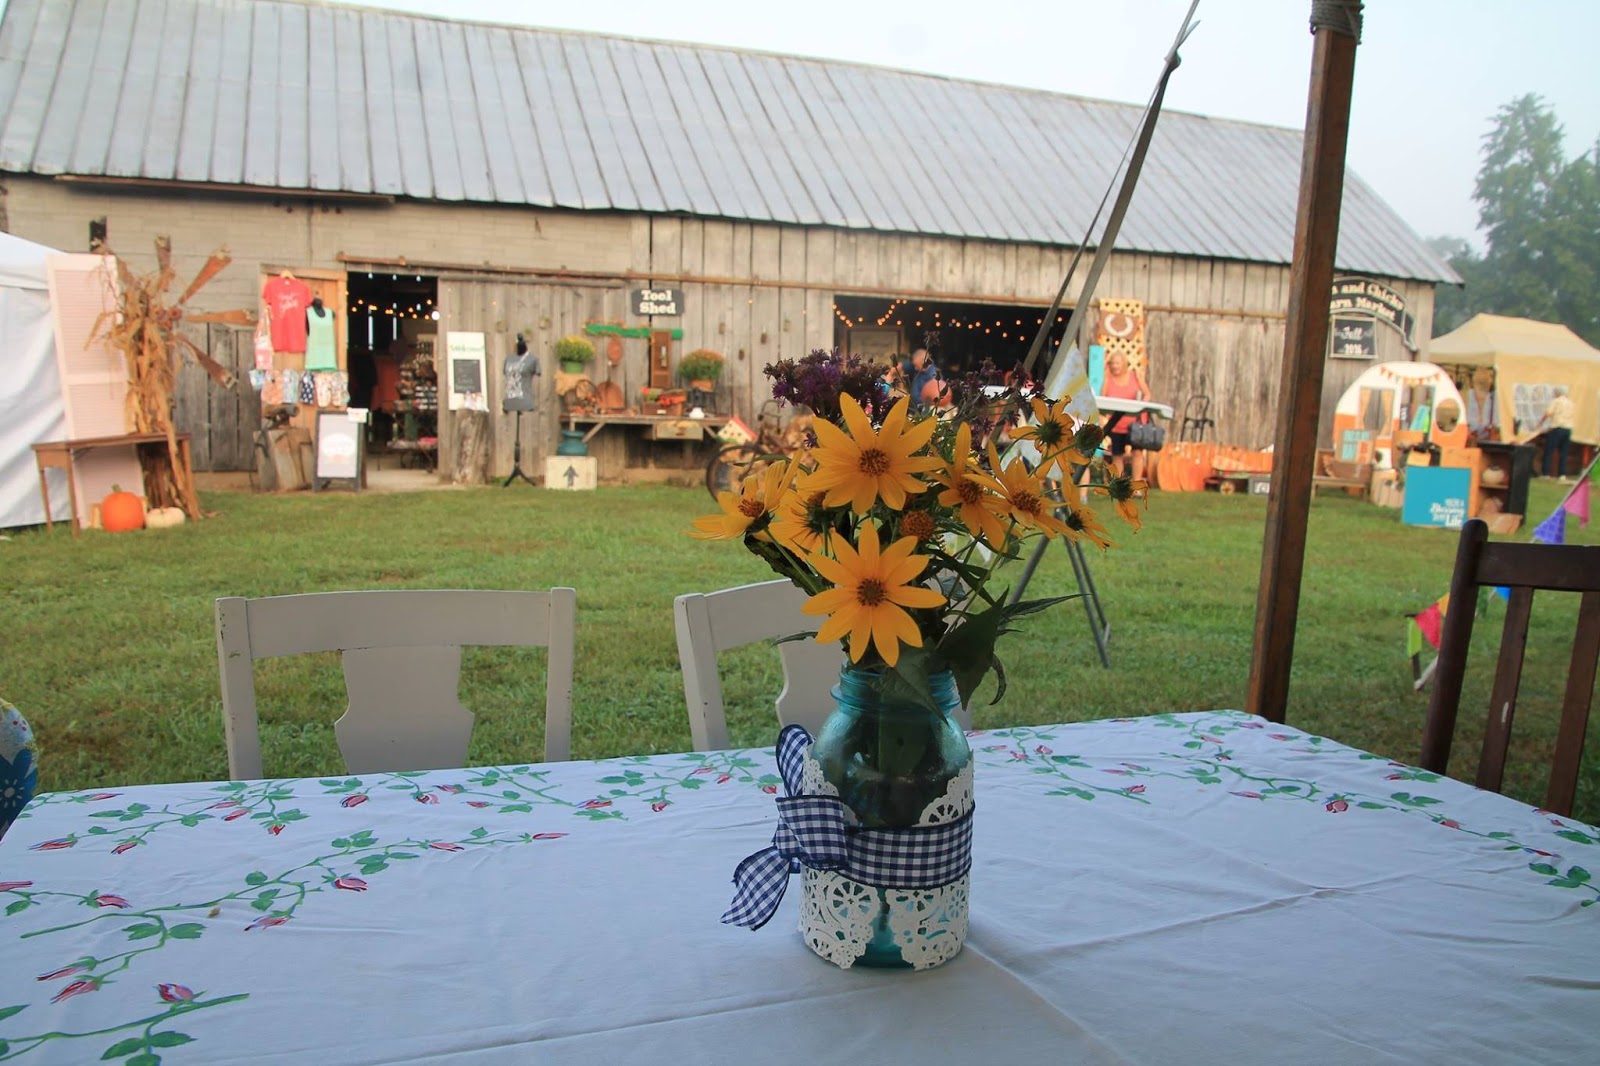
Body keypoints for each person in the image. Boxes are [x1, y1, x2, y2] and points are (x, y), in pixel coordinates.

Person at [1100, 350, 1151, 478]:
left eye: (1117, 363)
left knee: (1137, 453)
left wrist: (1140, 406)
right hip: (1116, 424)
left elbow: (1147, 394)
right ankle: (1119, 485)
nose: (1114, 366)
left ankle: (1136, 486)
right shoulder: (1108, 380)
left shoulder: (1135, 376)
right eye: (1112, 363)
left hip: (1135, 424)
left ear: (1124, 364)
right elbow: (1102, 401)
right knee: (1117, 454)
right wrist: (1103, 419)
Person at [1533, 386, 1575, 479]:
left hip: (1557, 428)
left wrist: (1540, 423)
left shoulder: (1556, 401)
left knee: (1549, 451)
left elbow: (1548, 413)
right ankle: (1562, 474)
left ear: (1557, 393)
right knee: (1563, 452)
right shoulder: (1570, 403)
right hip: (1568, 429)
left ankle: (1546, 473)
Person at [1464, 366, 1498, 443]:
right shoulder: (1467, 395)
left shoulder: (1493, 398)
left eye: (1490, 377)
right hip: (1470, 440)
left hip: (1486, 442)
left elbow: (1495, 427)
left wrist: (1491, 432)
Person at [902, 346, 940, 411]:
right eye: (914, 365)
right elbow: (902, 366)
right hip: (911, 408)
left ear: (924, 362)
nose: (915, 368)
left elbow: (933, 400)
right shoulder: (917, 367)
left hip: (922, 412)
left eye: (917, 366)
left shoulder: (934, 376)